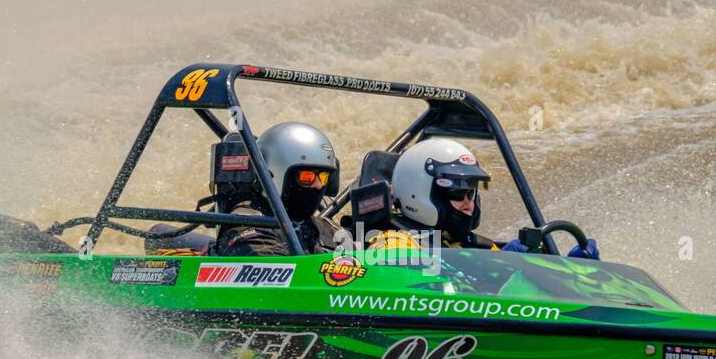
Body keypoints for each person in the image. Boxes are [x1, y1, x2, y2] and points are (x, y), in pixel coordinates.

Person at [377, 137, 599, 258]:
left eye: (471, 192)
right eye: (456, 192)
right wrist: (502, 267)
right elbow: (413, 285)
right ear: (418, 191)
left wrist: (570, 274)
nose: (468, 203)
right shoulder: (394, 243)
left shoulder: (475, 246)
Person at [214, 122, 341, 255]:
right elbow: (287, 272)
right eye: (307, 177)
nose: (318, 185)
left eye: (323, 177)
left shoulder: (325, 229)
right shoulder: (247, 228)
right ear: (275, 173)